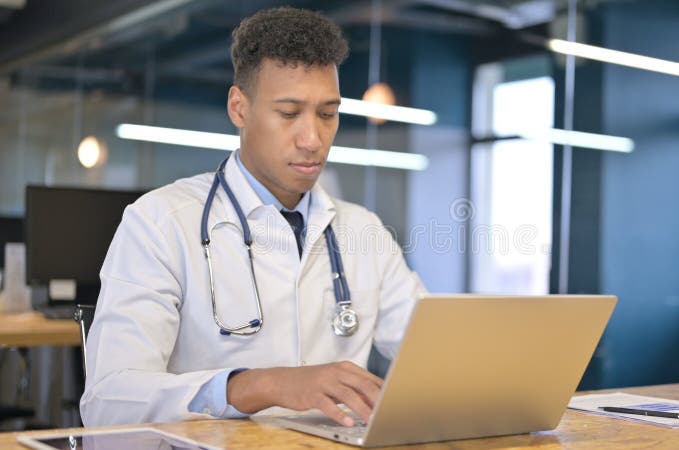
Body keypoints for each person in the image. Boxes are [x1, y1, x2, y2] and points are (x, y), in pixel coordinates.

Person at [80, 7, 426, 427]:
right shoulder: (160, 222)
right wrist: (262, 386)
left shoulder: (363, 232)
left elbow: (437, 355)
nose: (313, 138)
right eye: (288, 113)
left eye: (327, 114)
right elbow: (109, 398)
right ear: (239, 109)